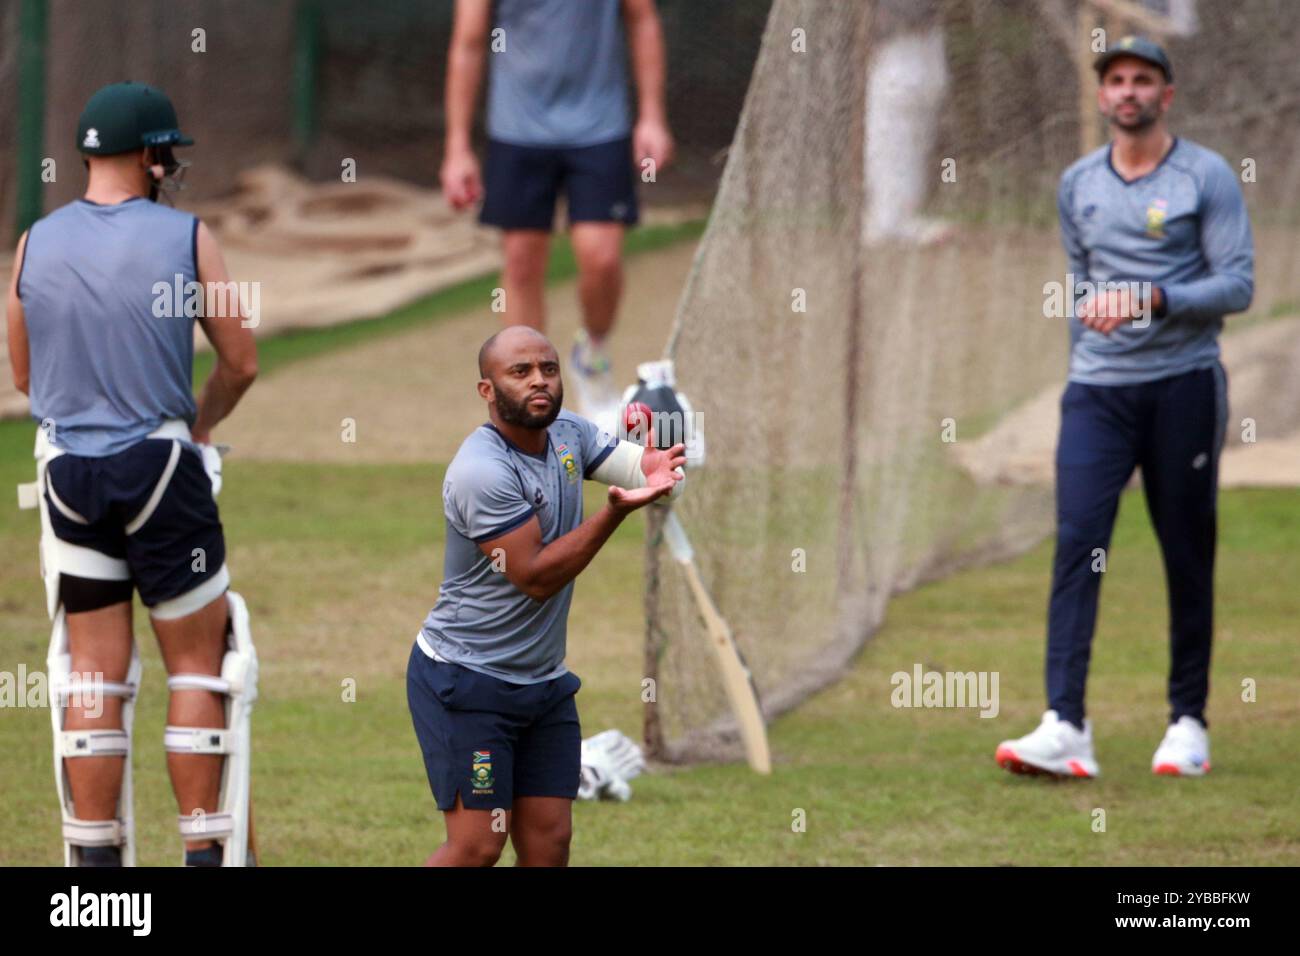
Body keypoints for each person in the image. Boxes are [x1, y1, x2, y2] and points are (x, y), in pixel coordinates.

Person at [6, 82, 260, 864]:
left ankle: (94, 869)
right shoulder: (187, 236)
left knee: (92, 673)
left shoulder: (33, 242)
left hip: (68, 477)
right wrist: (202, 419)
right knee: (200, 665)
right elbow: (241, 361)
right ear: (151, 156)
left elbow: (24, 377)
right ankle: (203, 852)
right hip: (160, 466)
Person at [995, 38, 1253, 779]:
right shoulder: (1077, 182)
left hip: (1183, 387)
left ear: (1165, 95)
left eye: (1143, 80)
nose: (1128, 91)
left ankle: (1187, 723)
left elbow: (1236, 284)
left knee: (1185, 548)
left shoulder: (1205, 177)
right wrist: (1092, 334)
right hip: (1097, 393)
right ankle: (1066, 725)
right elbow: (1081, 282)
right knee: (1077, 543)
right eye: (1116, 81)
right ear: (1102, 96)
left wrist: (1155, 298)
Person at [406, 325, 684, 866]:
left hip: (543, 682)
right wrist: (614, 512)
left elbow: (634, 467)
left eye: (549, 369)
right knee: (477, 846)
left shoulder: (568, 434)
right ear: (487, 391)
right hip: (469, 683)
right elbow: (534, 577)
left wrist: (659, 464)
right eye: (521, 371)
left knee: (549, 841)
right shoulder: (480, 472)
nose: (540, 381)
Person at [440, 0, 674, 428]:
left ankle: (593, 356)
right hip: (517, 130)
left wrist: (652, 117)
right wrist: (457, 147)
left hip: (601, 126)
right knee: (522, 261)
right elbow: (469, 42)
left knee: (601, 257)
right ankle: (527, 393)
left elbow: (642, 20)